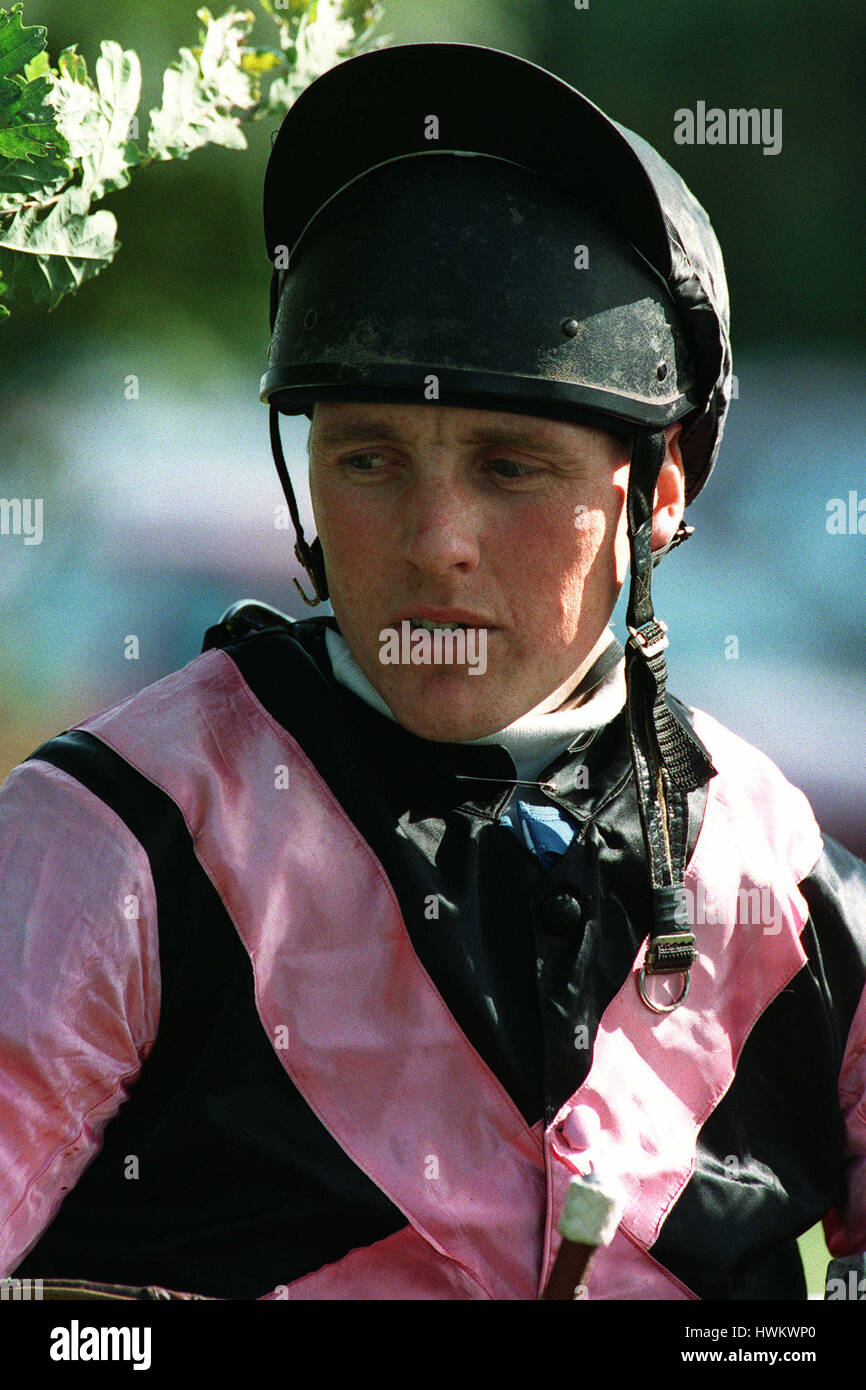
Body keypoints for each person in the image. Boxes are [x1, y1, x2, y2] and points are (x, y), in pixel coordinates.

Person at [1, 41, 865, 1302]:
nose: (432, 542)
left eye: (509, 467)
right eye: (367, 459)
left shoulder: (784, 877)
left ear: (657, 491)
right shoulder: (106, 842)